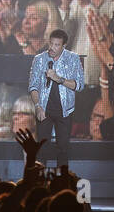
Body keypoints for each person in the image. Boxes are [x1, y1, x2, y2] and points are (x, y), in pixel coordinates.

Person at [29, 29, 83, 169]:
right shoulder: (39, 59)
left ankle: (62, 181)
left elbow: (79, 85)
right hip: (44, 110)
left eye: (57, 45)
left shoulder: (73, 59)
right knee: (41, 149)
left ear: (64, 46)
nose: (52, 48)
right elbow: (33, 86)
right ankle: (38, 181)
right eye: (51, 43)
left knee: (63, 149)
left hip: (65, 111)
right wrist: (38, 107)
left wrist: (59, 79)